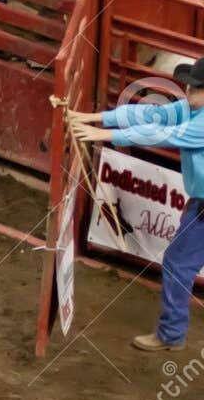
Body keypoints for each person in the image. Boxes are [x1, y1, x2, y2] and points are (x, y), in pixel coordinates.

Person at [69, 60, 204, 351]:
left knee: (178, 264)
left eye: (195, 87)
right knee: (180, 263)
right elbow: (149, 114)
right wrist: (94, 117)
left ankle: (171, 335)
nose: (188, 90)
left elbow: (159, 134)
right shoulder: (191, 109)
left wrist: (104, 134)